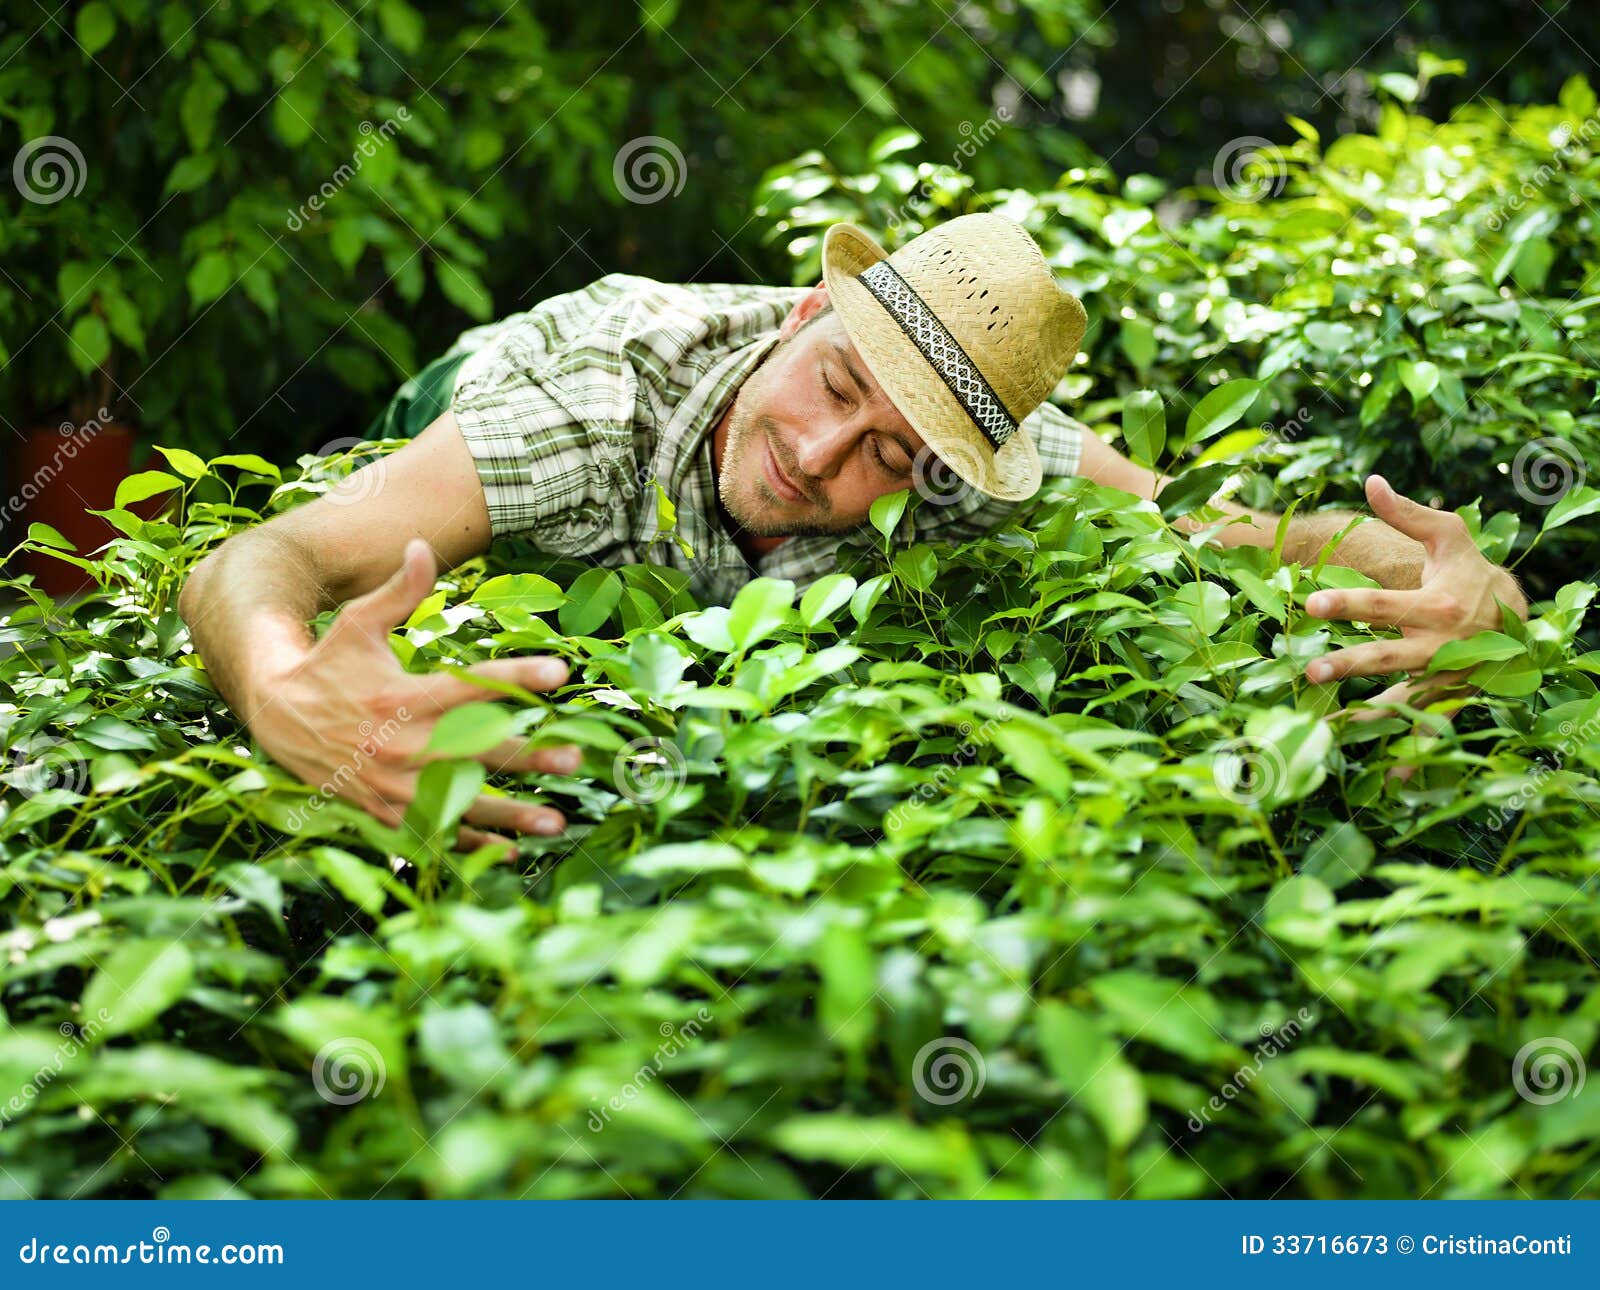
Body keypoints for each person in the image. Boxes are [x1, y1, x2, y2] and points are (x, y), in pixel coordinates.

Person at [178, 214, 1526, 851]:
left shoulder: (990, 460)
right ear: (804, 315)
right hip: (483, 387)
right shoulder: (586, 399)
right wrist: (286, 684)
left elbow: (1231, 532)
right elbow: (260, 562)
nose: (825, 455)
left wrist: (1471, 585)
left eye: (892, 451)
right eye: (836, 390)